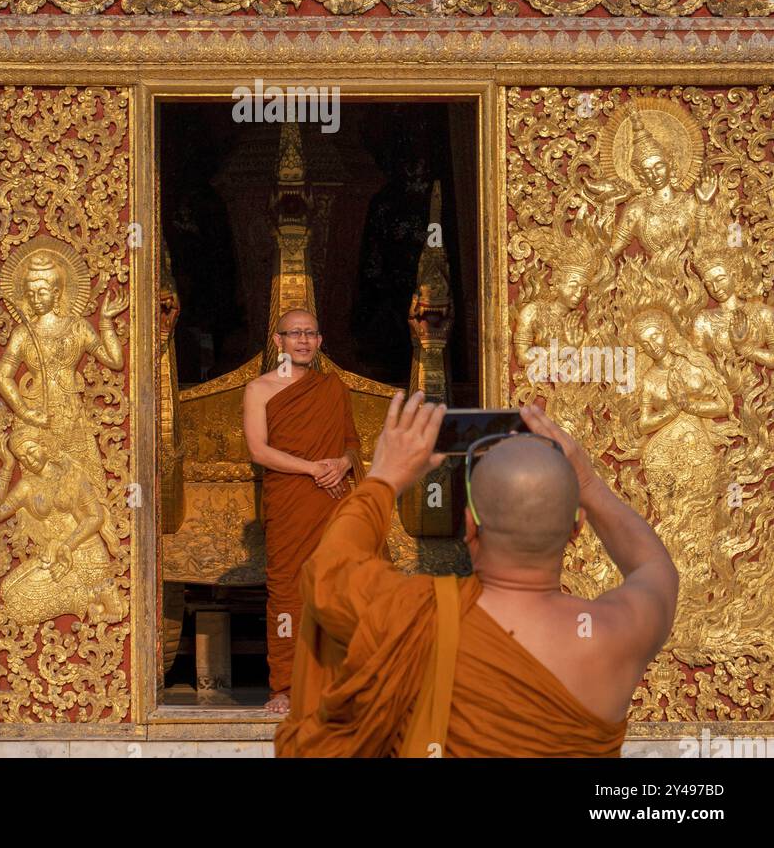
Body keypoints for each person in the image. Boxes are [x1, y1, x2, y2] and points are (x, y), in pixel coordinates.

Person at [275, 393, 678, 757]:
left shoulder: (412, 615)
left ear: (469, 525)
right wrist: (587, 483)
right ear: (576, 527)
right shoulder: (615, 633)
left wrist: (385, 478)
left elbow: (329, 569)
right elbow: (655, 568)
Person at [243, 308, 362, 715]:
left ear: (320, 339)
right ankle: (286, 687)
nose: (304, 340)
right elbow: (259, 450)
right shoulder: (259, 390)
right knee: (289, 591)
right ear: (278, 341)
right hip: (291, 499)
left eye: (311, 333)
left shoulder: (334, 388)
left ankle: (347, 681)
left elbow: (351, 443)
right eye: (295, 334)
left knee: (343, 587)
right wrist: (312, 468)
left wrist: (343, 464)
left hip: (334, 498)